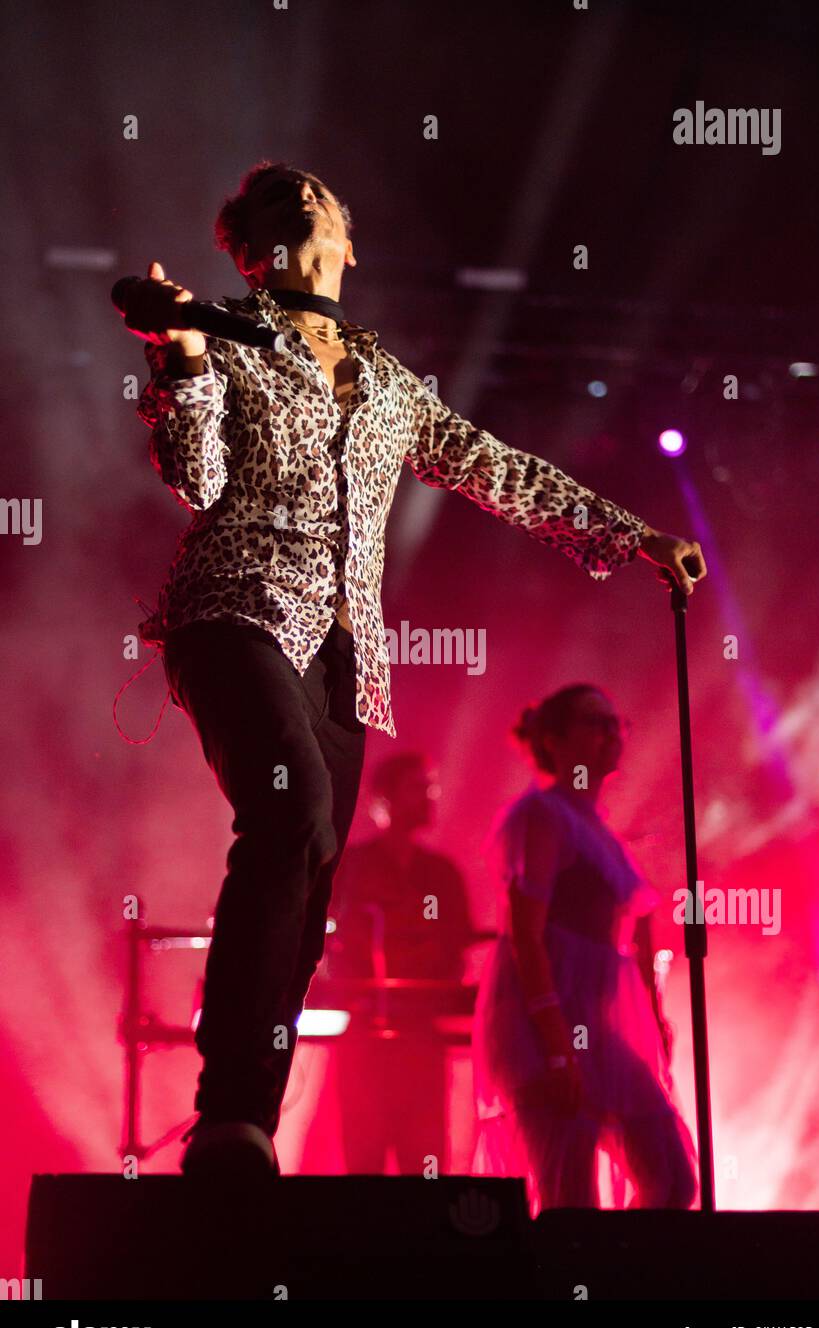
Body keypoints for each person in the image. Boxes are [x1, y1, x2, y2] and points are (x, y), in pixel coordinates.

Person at [121, 160, 707, 1179]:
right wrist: (180, 355)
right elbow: (198, 478)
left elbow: (501, 471)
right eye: (273, 200)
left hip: (346, 655)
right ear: (254, 249)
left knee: (309, 885)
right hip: (235, 611)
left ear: (349, 241)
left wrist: (635, 534)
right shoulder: (221, 330)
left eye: (317, 194)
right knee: (290, 807)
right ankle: (224, 1117)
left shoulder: (390, 386)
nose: (300, 191)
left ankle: (247, 1122)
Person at [472, 684, 698, 1212]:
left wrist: (653, 1019)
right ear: (554, 739)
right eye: (594, 723)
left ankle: (620, 1281)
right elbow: (525, 936)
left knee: (671, 1177)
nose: (611, 734)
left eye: (616, 723)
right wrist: (555, 1045)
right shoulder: (542, 815)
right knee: (569, 1193)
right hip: (543, 1022)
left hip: (600, 1026)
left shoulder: (599, 829)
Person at [326, 751, 476, 1174]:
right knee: (363, 1162)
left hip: (421, 1037)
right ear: (385, 798)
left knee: (424, 1160)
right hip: (363, 1034)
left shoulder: (441, 872)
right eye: (419, 788)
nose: (430, 798)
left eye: (431, 788)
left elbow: (456, 952)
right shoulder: (351, 868)